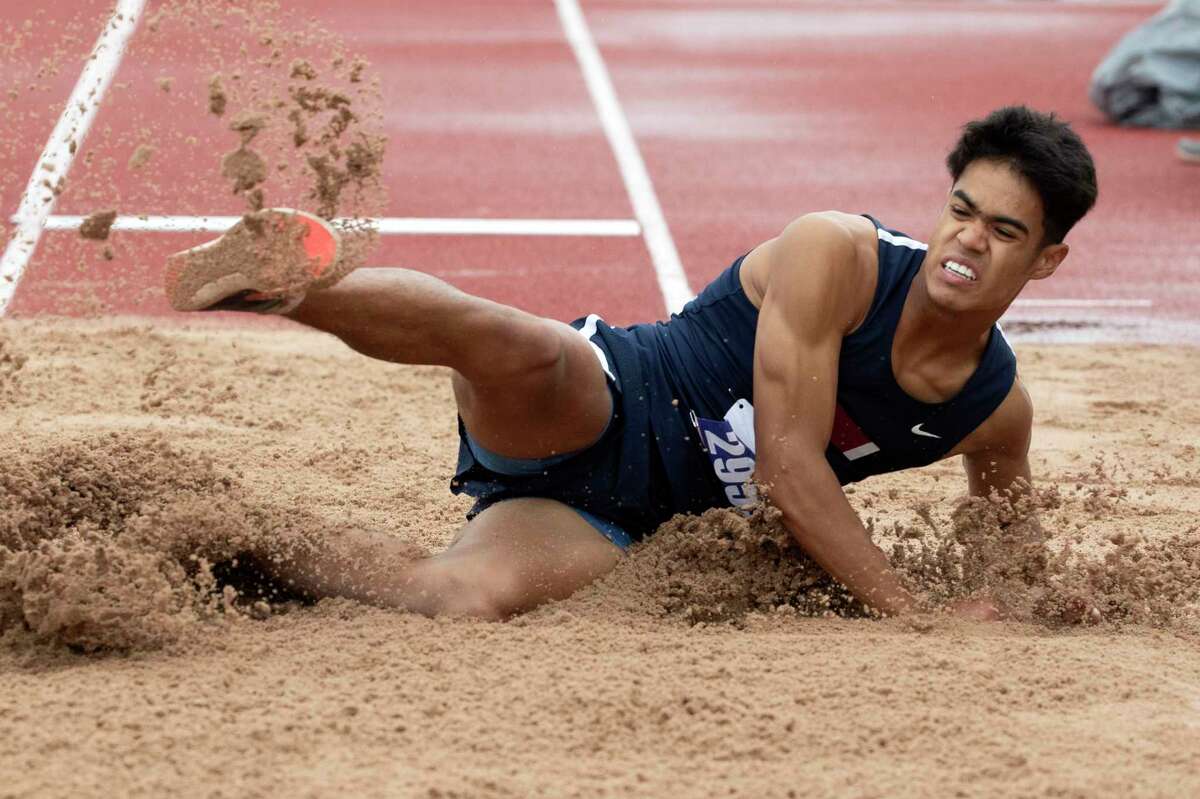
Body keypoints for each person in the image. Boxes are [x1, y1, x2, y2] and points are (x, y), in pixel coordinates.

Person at [167, 105, 1098, 622]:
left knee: (454, 596)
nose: (966, 239)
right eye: (960, 210)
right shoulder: (839, 254)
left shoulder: (994, 411)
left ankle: (233, 544)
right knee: (517, 346)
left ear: (1046, 260)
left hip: (627, 526)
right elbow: (787, 467)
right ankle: (285, 282)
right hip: (614, 397)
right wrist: (914, 612)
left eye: (1003, 230)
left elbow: (1010, 556)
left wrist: (1024, 603)